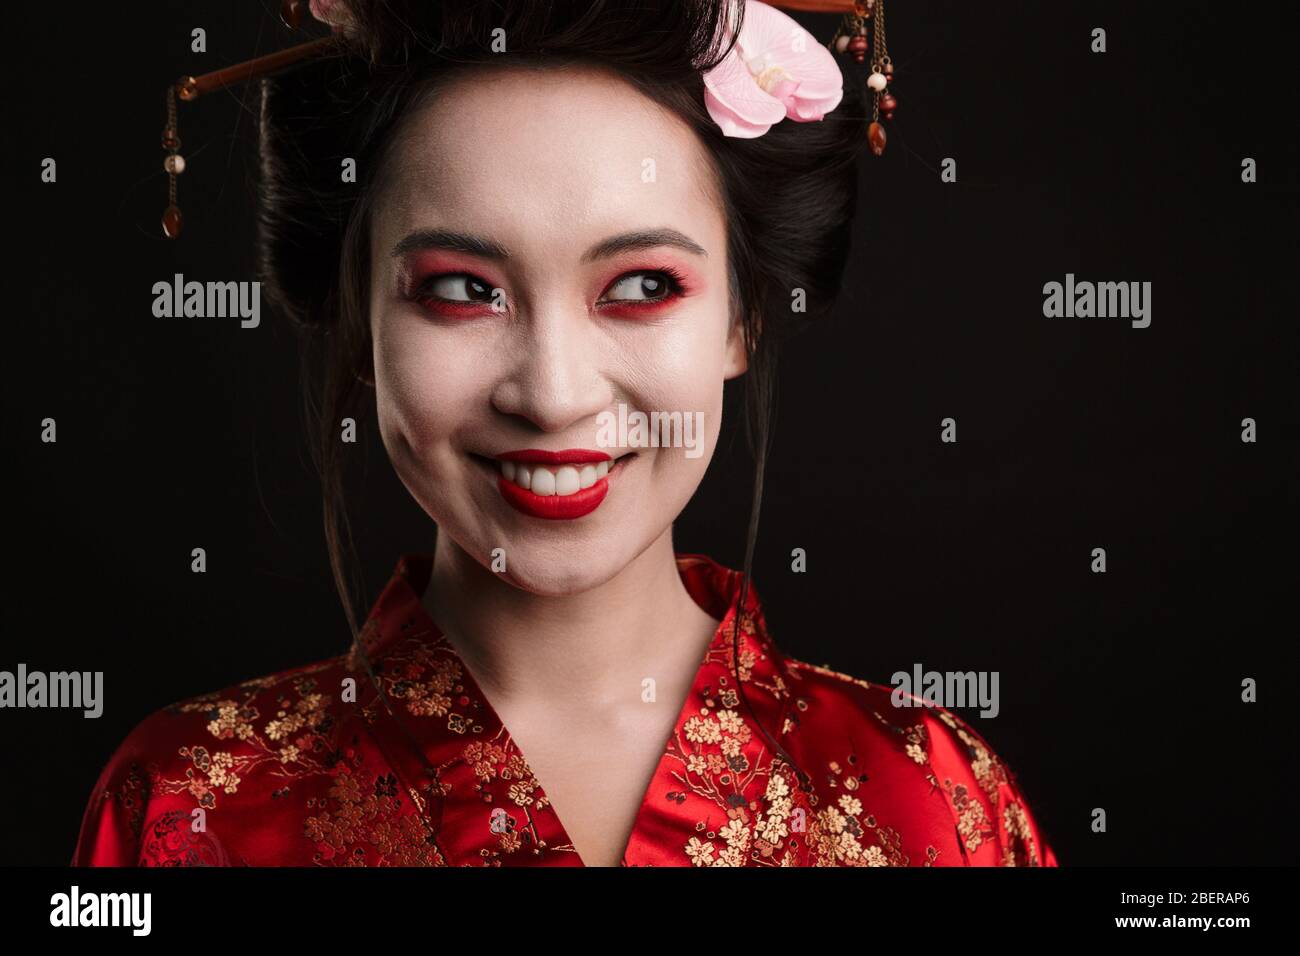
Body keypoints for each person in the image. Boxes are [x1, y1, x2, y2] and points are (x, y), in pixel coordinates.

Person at [73, 0, 1057, 867]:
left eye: (640, 286)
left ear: (743, 316)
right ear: (359, 319)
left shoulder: (933, 803)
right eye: (462, 289)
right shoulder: (188, 803)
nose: (551, 393)